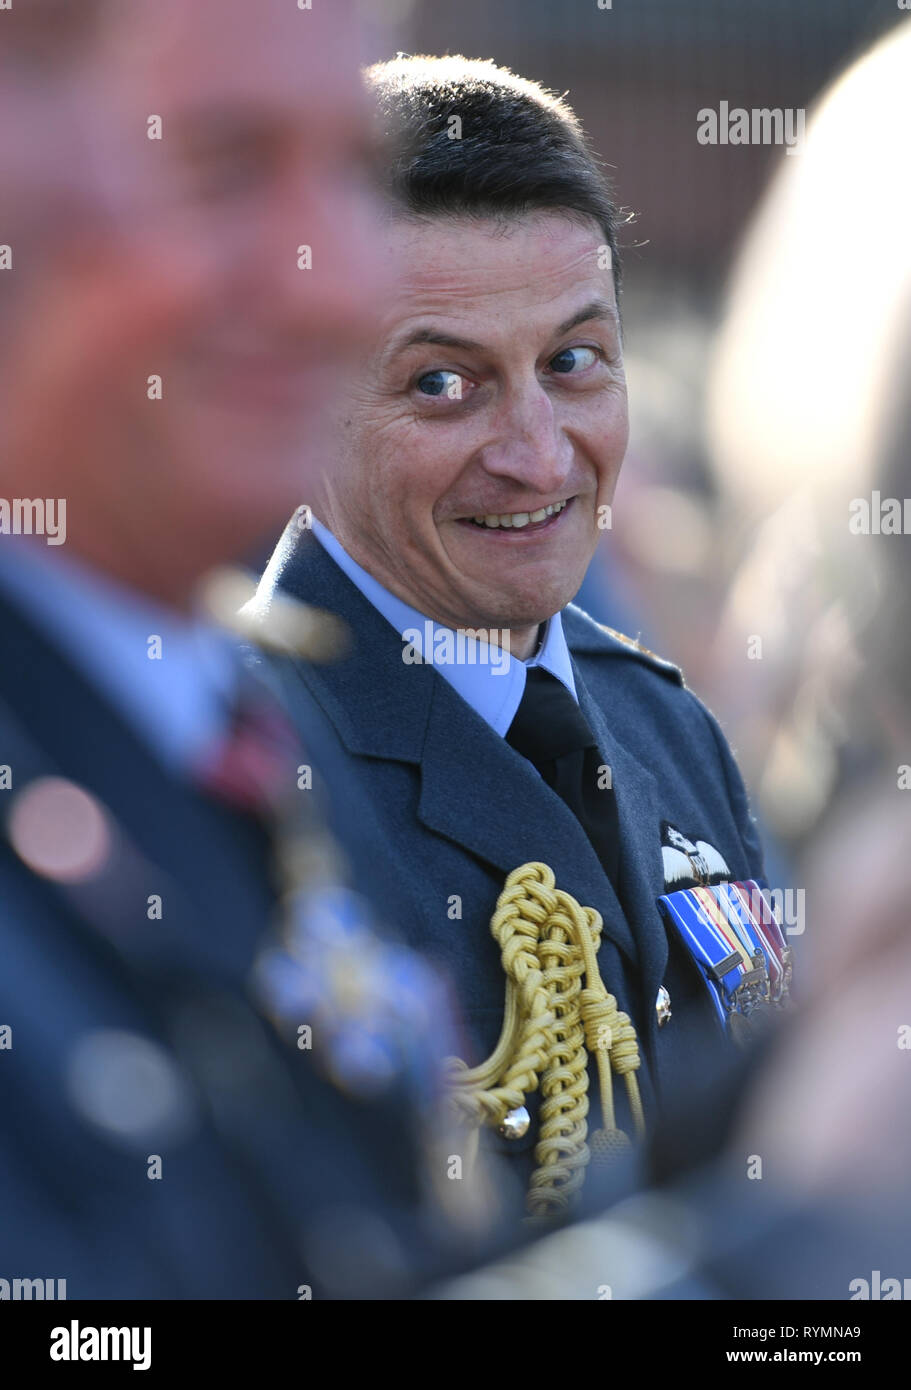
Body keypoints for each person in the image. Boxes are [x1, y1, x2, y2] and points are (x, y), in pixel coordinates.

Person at [0, 2, 491, 1299]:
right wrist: (800, 1239)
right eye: (218, 169)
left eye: (354, 173)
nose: (335, 282)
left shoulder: (310, 721)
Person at [252, 55, 778, 1220]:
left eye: (571, 364)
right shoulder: (252, 763)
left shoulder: (659, 717)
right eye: (443, 383)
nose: (538, 455)